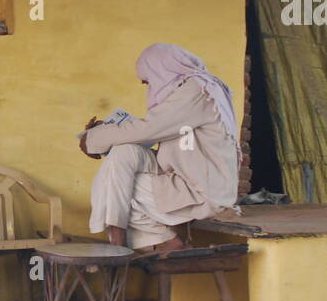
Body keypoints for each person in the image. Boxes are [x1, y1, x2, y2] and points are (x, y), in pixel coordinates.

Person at [79, 42, 239, 251]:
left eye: (147, 80)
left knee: (119, 186)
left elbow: (150, 129)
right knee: (122, 153)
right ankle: (149, 239)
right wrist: (103, 139)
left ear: (160, 70)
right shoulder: (190, 89)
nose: (147, 86)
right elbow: (154, 131)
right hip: (183, 176)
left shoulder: (197, 89)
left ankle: (122, 241)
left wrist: (93, 139)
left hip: (203, 192)